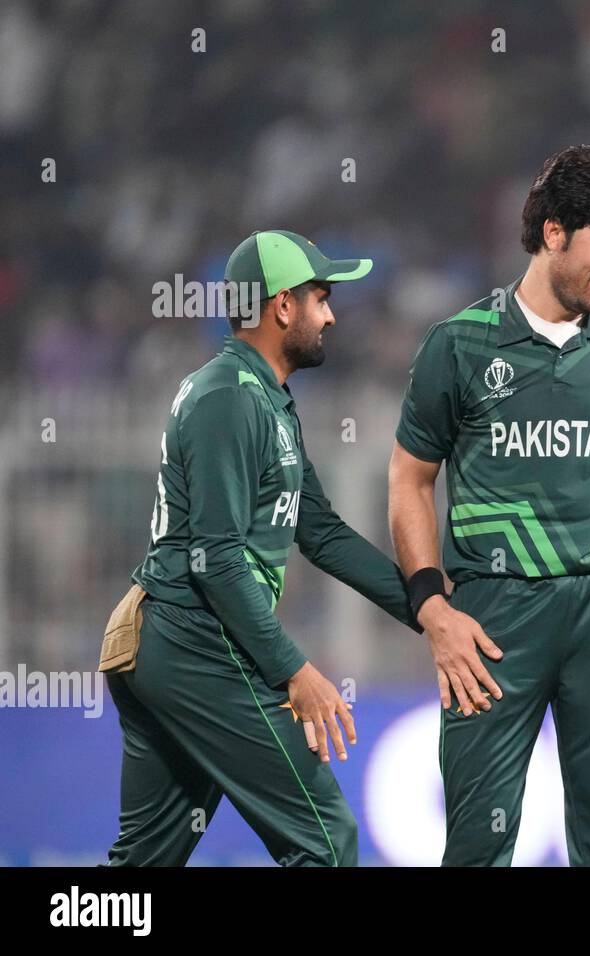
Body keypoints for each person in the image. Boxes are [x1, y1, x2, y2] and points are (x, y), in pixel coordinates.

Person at [388, 145, 590, 866]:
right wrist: (432, 608)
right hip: (494, 620)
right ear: (554, 232)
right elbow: (409, 481)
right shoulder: (457, 346)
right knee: (477, 844)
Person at [104, 230, 420, 866]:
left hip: (175, 639)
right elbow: (215, 559)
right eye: (321, 299)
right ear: (282, 306)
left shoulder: (263, 395)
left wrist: (430, 609)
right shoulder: (229, 397)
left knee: (142, 865)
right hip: (195, 637)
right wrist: (294, 671)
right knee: (326, 842)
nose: (330, 316)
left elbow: (321, 532)